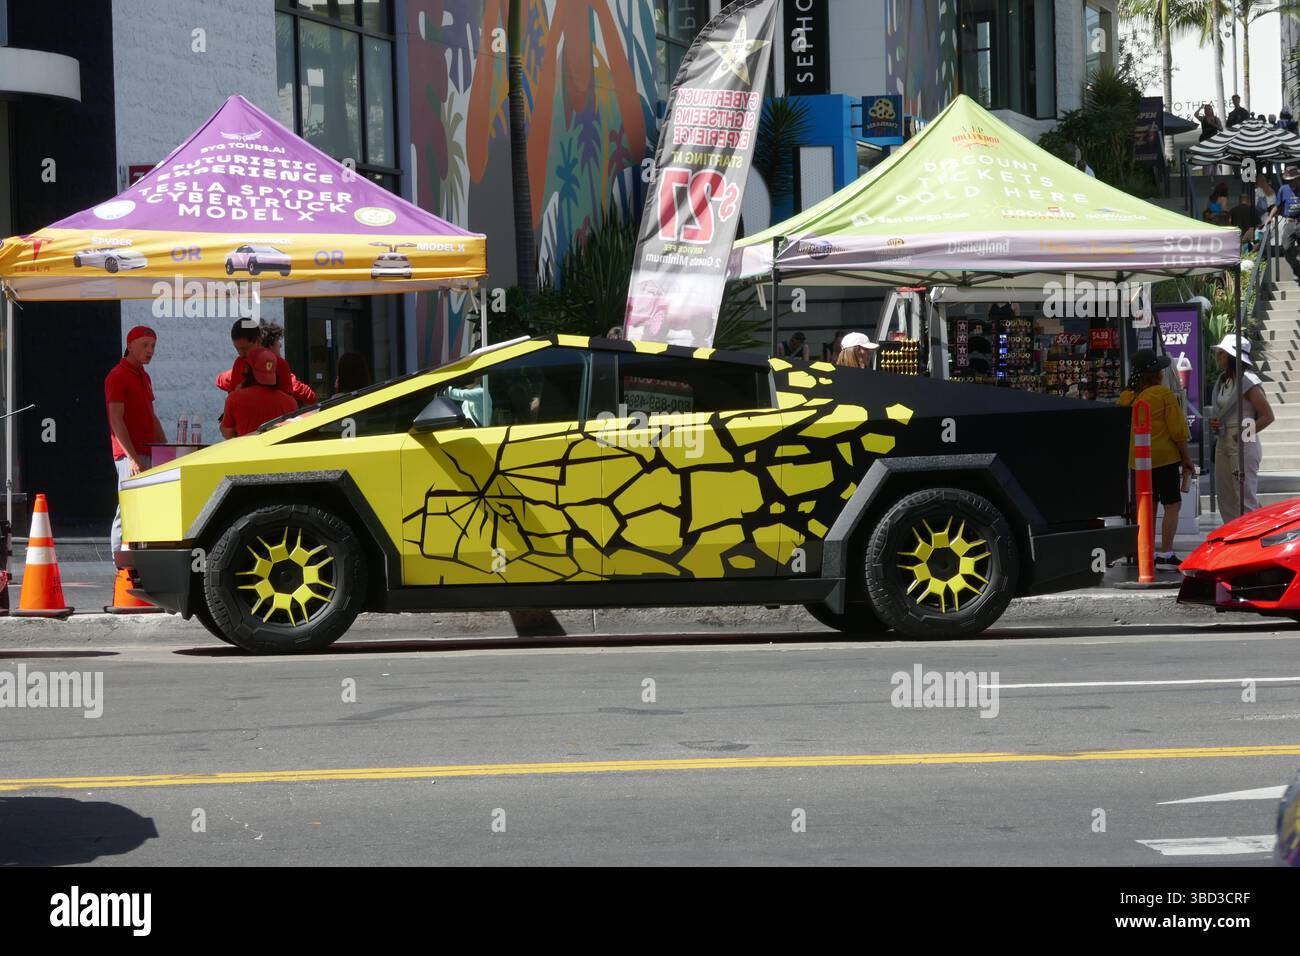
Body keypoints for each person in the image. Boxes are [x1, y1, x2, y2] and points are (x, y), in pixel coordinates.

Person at [1117, 349, 1195, 566]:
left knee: (1146, 505)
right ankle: (1166, 552)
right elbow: (1178, 431)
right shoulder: (1163, 394)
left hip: (1138, 462)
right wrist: (1186, 458)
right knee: (1172, 504)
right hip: (1165, 458)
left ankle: (1146, 550)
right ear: (1156, 373)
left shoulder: (1126, 398)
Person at [105, 325, 166, 554]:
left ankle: (135, 561)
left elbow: (151, 416)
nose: (150, 350)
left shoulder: (144, 376)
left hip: (146, 452)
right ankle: (118, 562)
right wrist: (131, 458)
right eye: (145, 345)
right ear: (130, 345)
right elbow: (116, 420)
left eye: (153, 346)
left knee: (142, 508)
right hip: (129, 455)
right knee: (127, 508)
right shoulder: (117, 376)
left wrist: (166, 450)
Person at [1210, 333, 1274, 522]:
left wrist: (1243, 434)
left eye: (1222, 352)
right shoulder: (1225, 381)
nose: (1218, 356)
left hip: (1242, 443)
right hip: (1224, 441)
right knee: (1226, 497)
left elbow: (1268, 416)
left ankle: (1250, 543)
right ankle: (1234, 541)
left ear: (1231, 356)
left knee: (1244, 498)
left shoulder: (1249, 382)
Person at [216, 319, 316, 406]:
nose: (241, 354)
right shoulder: (239, 363)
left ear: (258, 341)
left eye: (245, 349)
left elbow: (221, 380)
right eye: (238, 349)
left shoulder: (280, 365)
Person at [220, 347, 298, 439]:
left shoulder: (235, 398)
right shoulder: (290, 402)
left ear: (248, 369)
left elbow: (228, 433)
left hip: (247, 452)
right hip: (279, 453)